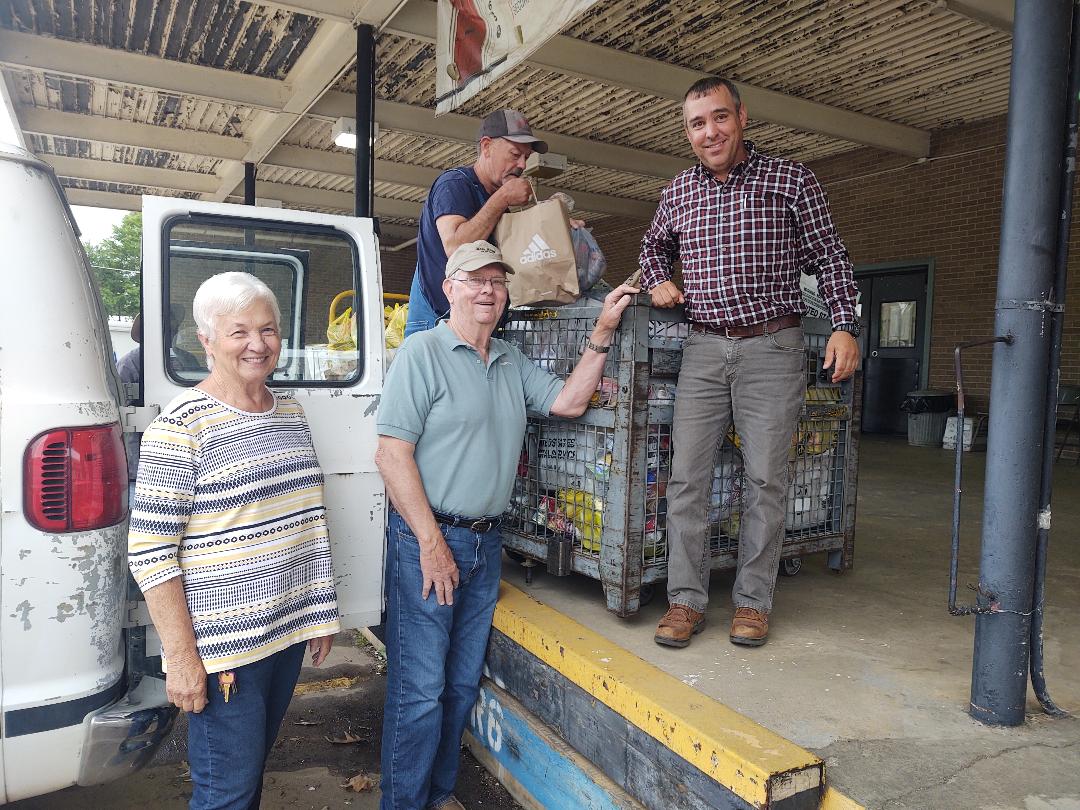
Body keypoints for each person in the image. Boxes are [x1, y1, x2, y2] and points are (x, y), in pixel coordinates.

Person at [376, 241, 638, 809]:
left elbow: (568, 402)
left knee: (462, 683)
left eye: (497, 280)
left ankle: (439, 794)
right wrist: (430, 543)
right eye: (475, 280)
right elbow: (391, 455)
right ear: (450, 289)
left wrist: (602, 332)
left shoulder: (510, 360)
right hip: (430, 540)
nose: (488, 290)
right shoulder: (423, 352)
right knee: (419, 692)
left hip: (485, 543)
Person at [641, 77, 860, 650]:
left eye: (718, 118)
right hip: (704, 349)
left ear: (741, 117)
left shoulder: (791, 180)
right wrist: (660, 277)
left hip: (772, 348)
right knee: (687, 479)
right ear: (687, 132)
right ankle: (686, 602)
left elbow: (829, 255)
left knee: (766, 479)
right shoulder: (678, 193)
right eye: (696, 124)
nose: (709, 132)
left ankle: (752, 602)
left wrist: (844, 324)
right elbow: (651, 248)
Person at [127, 272, 340, 809]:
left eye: (267, 330)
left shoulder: (289, 411)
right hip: (227, 652)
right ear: (206, 341)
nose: (257, 344)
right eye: (239, 331)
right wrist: (181, 659)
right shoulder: (179, 428)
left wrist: (319, 613)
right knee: (228, 792)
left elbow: (306, 520)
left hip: (285, 634)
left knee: (249, 774)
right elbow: (151, 554)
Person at [403, 109, 546, 337]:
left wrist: (558, 228)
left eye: (526, 158)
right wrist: (503, 198)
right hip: (437, 325)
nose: (521, 165)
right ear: (487, 146)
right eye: (514, 154)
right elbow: (455, 248)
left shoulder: (497, 203)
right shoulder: (453, 185)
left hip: (475, 328)